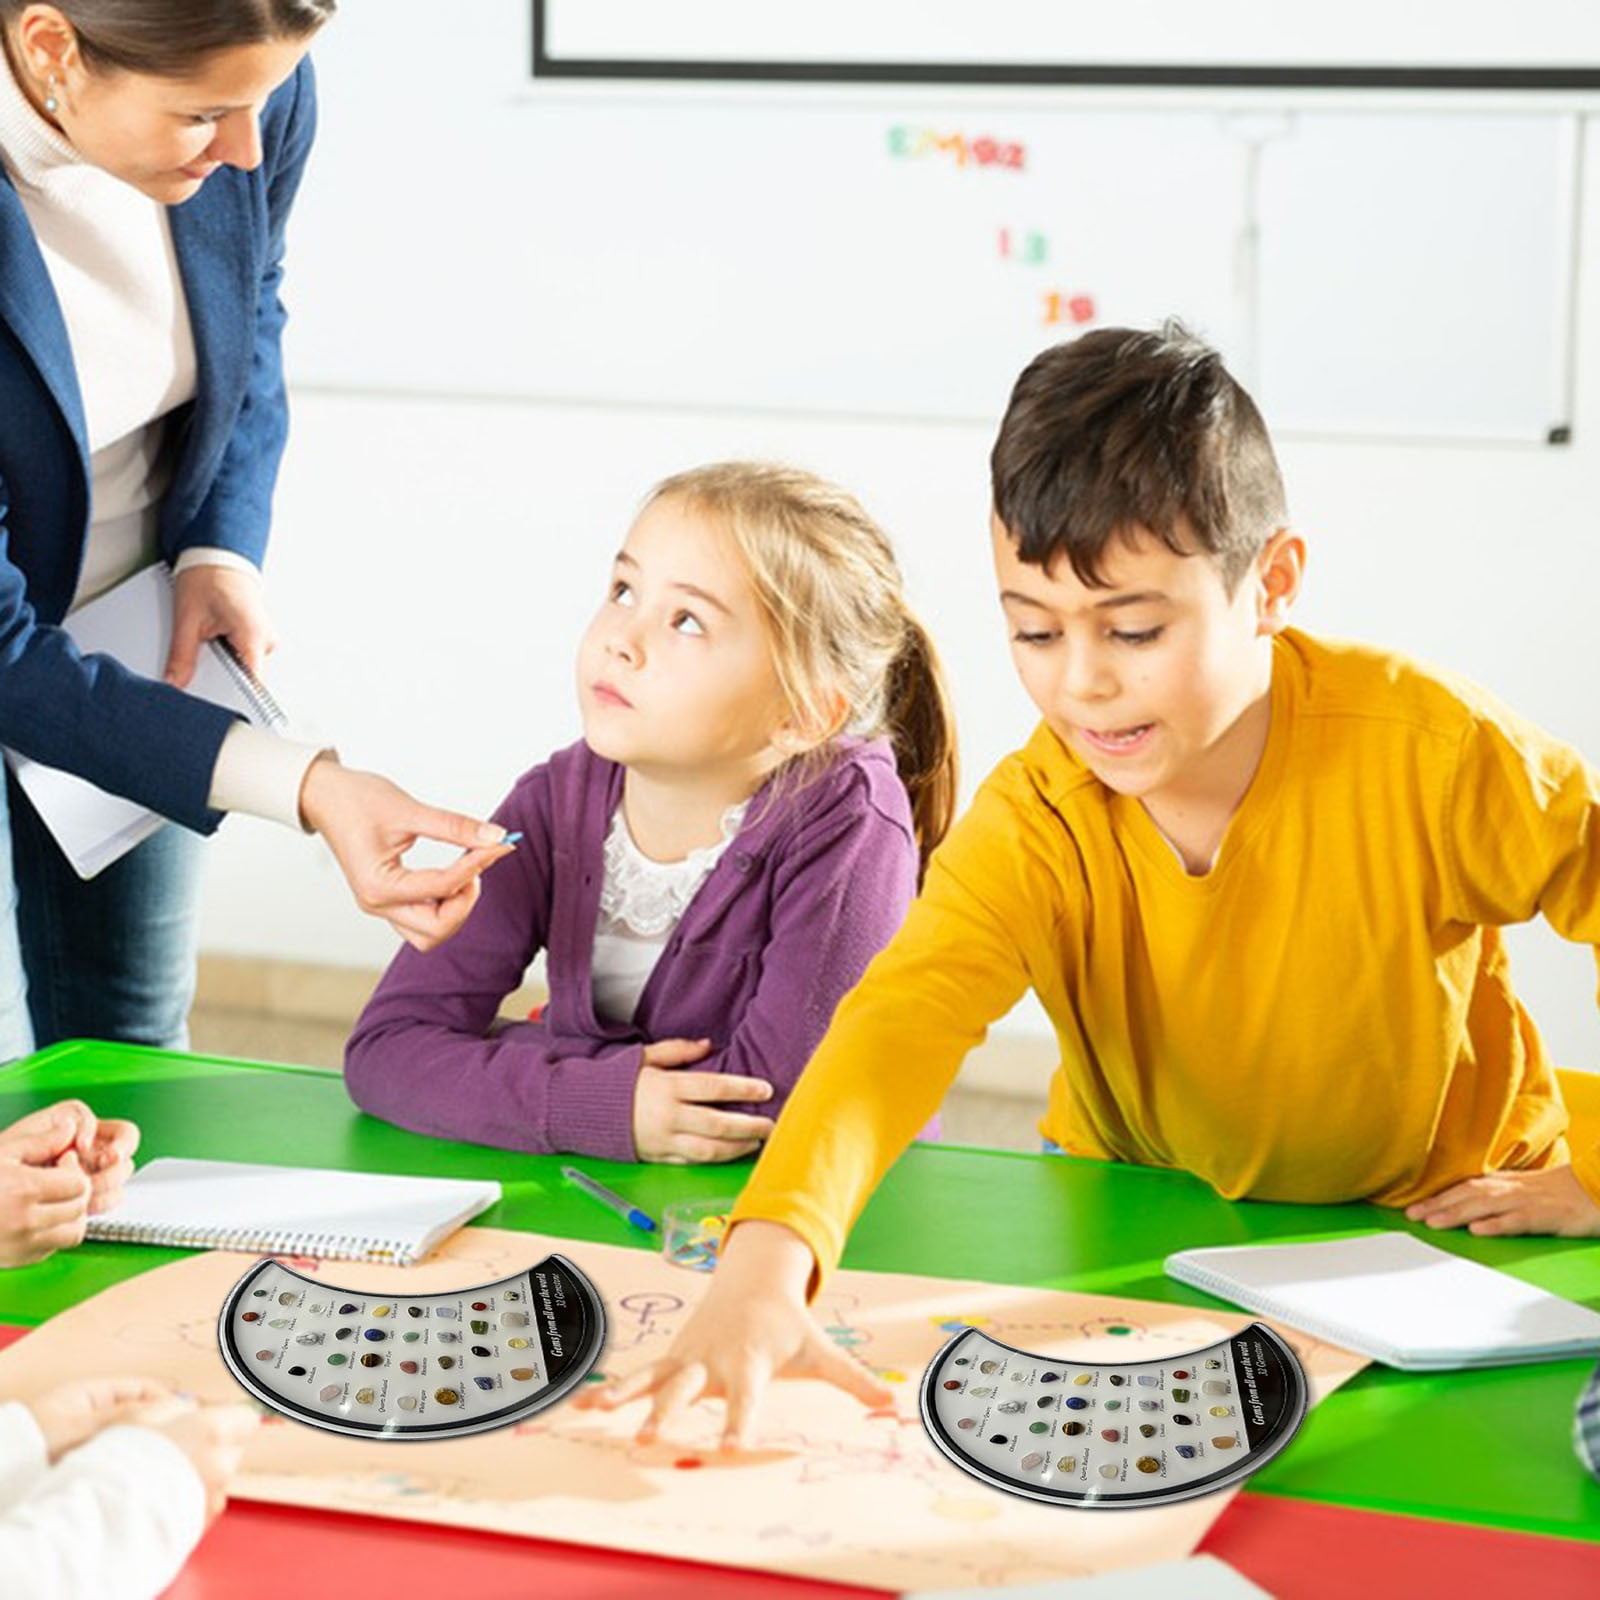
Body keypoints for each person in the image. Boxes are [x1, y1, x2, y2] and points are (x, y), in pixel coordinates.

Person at [583, 323, 1600, 1447]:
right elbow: (899, 1020)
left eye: (1133, 627)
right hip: (1147, 1206)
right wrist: (769, 1258)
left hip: (1438, 1219)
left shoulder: (1429, 747)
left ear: (1270, 583)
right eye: (1032, 630)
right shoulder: (1042, 812)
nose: (1083, 683)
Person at [0, 0, 511, 1065]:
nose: (245, 147)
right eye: (203, 117)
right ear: (50, 49)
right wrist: (310, 787)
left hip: (128, 618)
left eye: (260, 103)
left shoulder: (249, 93)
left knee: (129, 1038)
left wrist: (217, 545)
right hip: (19, 641)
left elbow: (252, 302)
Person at [345, 462, 957, 1163]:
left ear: (803, 714)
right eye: (623, 590)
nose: (620, 639)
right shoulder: (552, 803)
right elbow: (387, 1050)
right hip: (630, 1201)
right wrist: (598, 1096)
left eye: (687, 621)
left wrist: (540, 1058)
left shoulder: (848, 822)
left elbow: (779, 1101)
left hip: (823, 1219)